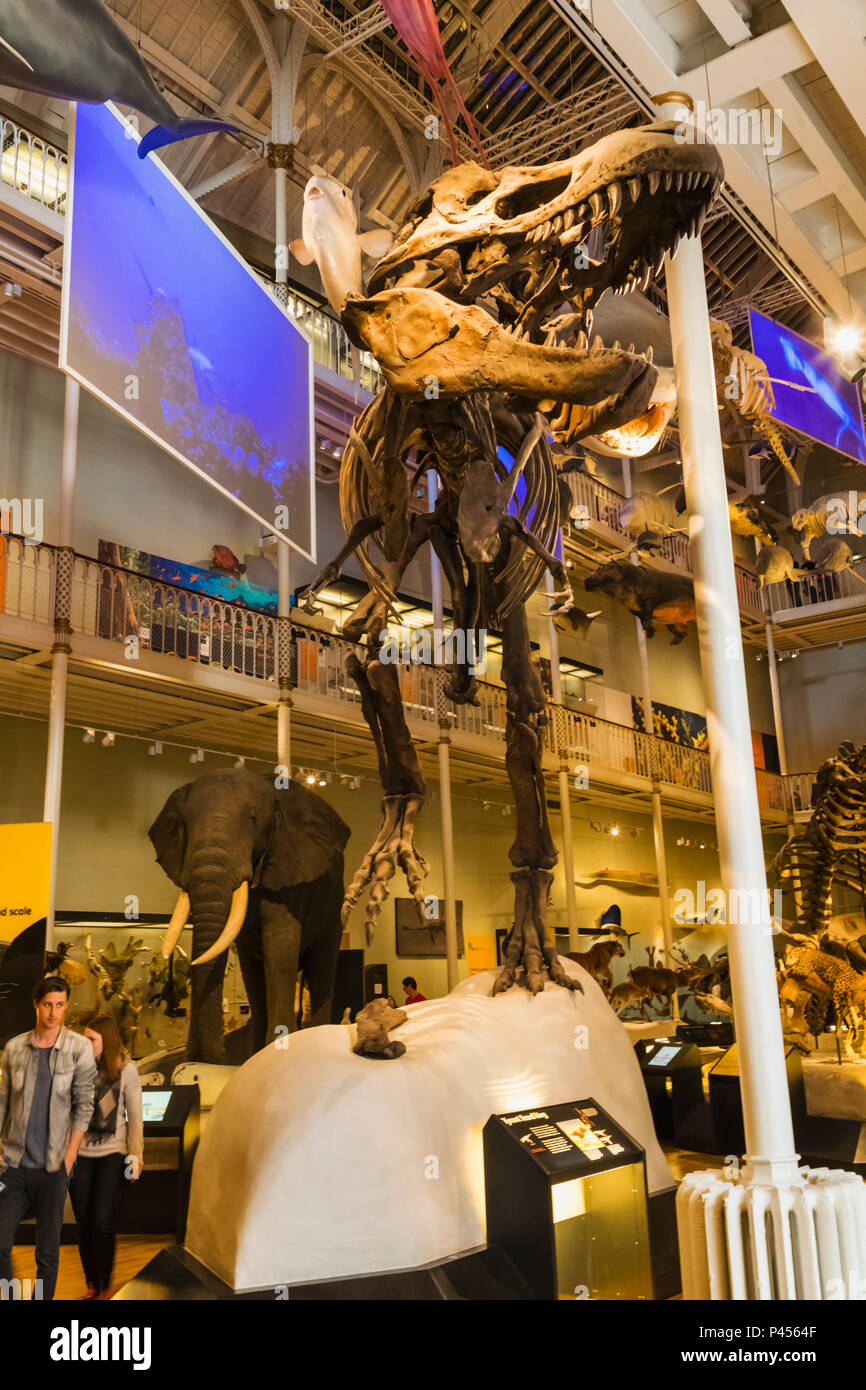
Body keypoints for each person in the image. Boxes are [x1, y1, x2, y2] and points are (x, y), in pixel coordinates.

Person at [0, 976, 96, 1301]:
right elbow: (1, 1104)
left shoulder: (79, 1048)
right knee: (0, 1241)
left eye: (59, 1005)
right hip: (12, 1165)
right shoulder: (14, 1048)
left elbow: (85, 1105)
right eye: (47, 1005)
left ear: (65, 1005)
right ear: (36, 1006)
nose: (54, 1013)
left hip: (55, 1166)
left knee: (47, 1250)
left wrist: (70, 1157)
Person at [70, 1013, 143, 1300]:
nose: (86, 1044)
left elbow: (135, 1118)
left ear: (106, 1040)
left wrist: (135, 1155)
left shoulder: (127, 1071)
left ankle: (104, 1282)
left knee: (102, 1220)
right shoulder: (76, 1069)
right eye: (84, 1038)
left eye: (92, 1039)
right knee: (84, 1222)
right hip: (80, 1155)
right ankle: (91, 1282)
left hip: (113, 1153)